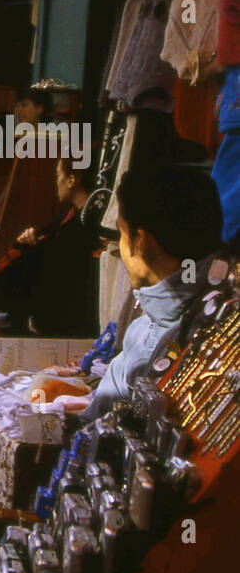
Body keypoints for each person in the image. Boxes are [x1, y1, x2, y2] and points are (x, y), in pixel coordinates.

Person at [82, 165, 223, 420]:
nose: (120, 249)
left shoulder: (170, 334)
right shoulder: (198, 298)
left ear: (142, 242)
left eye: (122, 234)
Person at [0, 156, 101, 336]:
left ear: (71, 180)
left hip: (69, 331)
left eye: (58, 175)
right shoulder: (71, 220)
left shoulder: (77, 228)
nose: (56, 181)